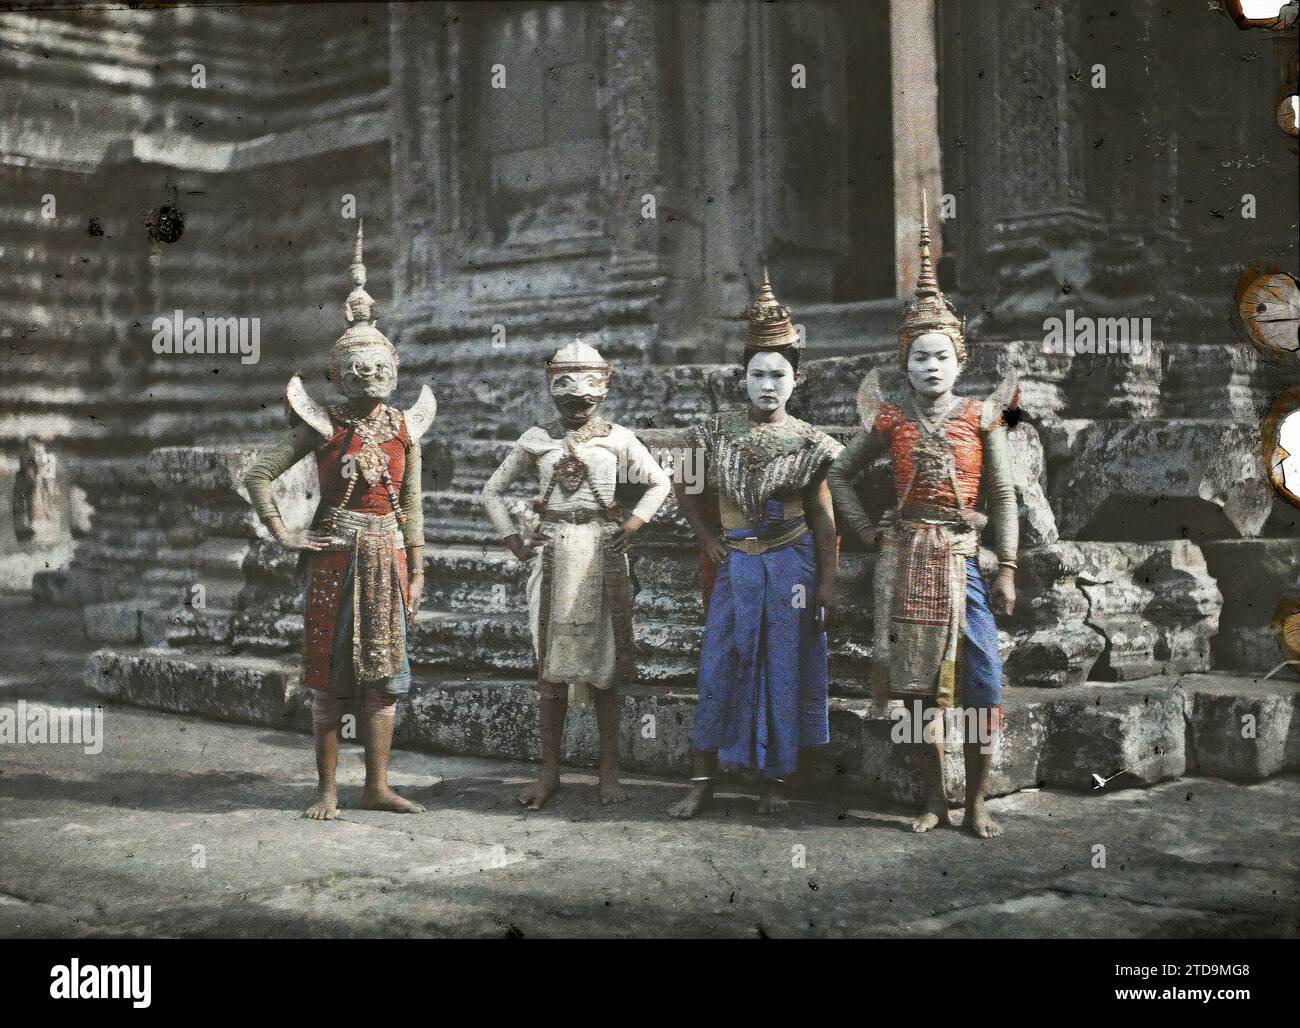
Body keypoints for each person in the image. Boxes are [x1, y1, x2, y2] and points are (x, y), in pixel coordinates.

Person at [826, 200, 1018, 838]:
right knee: (917, 691)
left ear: (959, 362)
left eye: (940, 357)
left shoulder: (980, 417)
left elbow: (1004, 493)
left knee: (981, 681)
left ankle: (977, 801)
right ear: (904, 366)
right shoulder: (890, 420)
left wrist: (1009, 567)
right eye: (918, 358)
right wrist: (868, 530)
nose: (930, 368)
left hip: (964, 560)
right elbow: (837, 475)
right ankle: (934, 799)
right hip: (906, 561)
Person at [244, 222, 437, 820]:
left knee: (385, 677)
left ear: (393, 369)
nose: (370, 383)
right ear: (339, 376)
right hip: (334, 557)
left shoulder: (406, 427)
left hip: (390, 559)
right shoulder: (321, 426)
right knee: (329, 677)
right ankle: (327, 790)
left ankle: (376, 786)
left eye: (378, 370)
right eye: (358, 372)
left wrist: (419, 567)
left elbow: (412, 502)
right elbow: (257, 474)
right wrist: (287, 533)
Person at [668, 271, 842, 819]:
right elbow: (686, 486)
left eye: (779, 375)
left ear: (797, 379)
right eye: (758, 374)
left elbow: (823, 517)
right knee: (719, 665)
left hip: (793, 565)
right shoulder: (712, 434)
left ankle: (777, 779)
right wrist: (707, 538)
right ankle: (702, 779)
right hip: (737, 563)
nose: (768, 385)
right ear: (741, 378)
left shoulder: (813, 444)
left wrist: (829, 581)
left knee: (785, 669)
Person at [480, 338, 672, 809]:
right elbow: (491, 492)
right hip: (551, 558)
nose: (576, 396)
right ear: (551, 386)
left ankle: (608, 774)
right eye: (564, 385)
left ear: (604, 388)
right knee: (551, 667)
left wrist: (633, 523)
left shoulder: (620, 438)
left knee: (604, 666)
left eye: (588, 386)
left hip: (602, 554)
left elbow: (659, 482)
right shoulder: (535, 439)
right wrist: (513, 540)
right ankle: (549, 775)